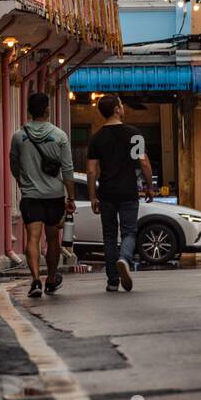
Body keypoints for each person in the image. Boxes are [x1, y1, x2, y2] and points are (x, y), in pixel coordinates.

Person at [8, 92, 77, 299]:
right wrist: (71, 197)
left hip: (31, 196)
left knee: (33, 238)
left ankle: (36, 279)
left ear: (29, 111)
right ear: (47, 110)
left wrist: (23, 182)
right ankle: (52, 277)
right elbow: (68, 170)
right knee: (53, 239)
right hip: (54, 196)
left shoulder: (19, 136)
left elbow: (14, 165)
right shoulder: (59, 136)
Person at [87, 94, 154, 292]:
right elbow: (143, 162)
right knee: (129, 231)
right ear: (117, 109)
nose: (123, 107)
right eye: (121, 105)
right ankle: (124, 258)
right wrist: (149, 186)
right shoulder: (134, 134)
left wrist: (92, 196)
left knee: (109, 236)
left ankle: (112, 281)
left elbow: (91, 170)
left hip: (106, 192)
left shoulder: (96, 138)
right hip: (128, 191)